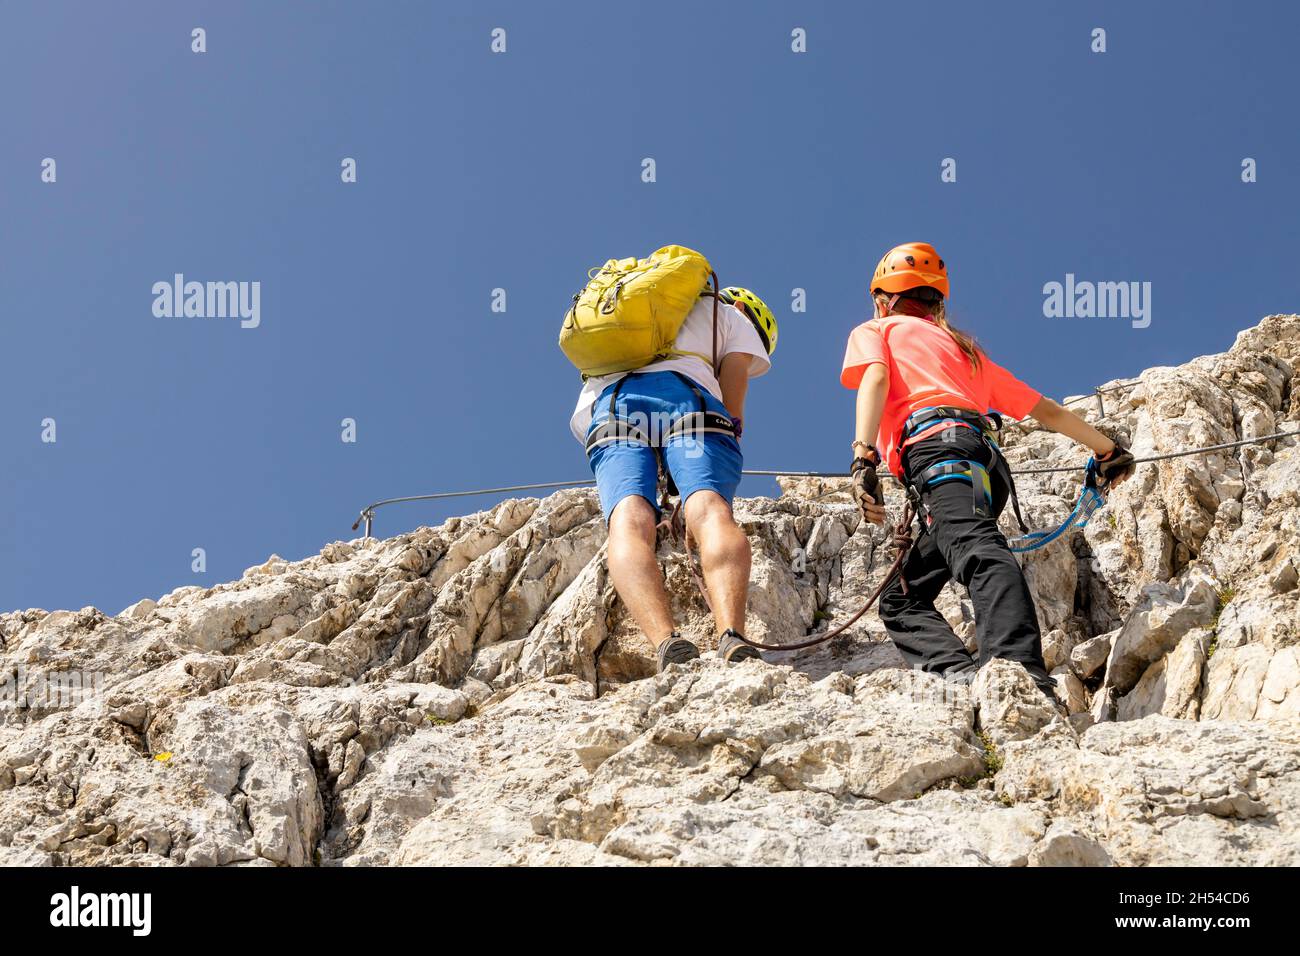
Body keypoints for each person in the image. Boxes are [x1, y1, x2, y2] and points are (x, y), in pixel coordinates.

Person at [840, 242, 1134, 701]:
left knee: (977, 548)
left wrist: (863, 457)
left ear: (883, 300)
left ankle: (1020, 673)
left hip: (939, 456)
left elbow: (875, 378)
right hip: (983, 470)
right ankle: (961, 680)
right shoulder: (964, 352)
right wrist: (1107, 450)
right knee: (902, 598)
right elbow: (1047, 412)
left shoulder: (876, 329)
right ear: (938, 303)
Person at [571, 285, 777, 671]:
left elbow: (586, 415)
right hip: (688, 402)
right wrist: (729, 428)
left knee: (627, 521)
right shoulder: (730, 316)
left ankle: (666, 640)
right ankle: (731, 634)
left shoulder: (632, 317)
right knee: (709, 508)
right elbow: (735, 382)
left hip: (613, 408)